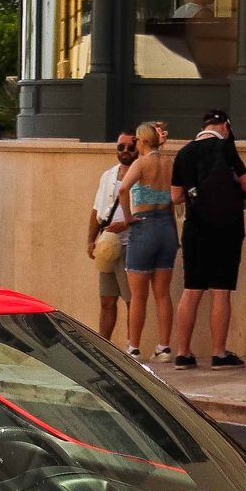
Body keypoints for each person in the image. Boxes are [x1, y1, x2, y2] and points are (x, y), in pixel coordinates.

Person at [168, 106, 246, 369]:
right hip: (227, 228)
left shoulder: (184, 153)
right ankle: (219, 353)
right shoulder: (226, 148)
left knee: (191, 290)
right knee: (220, 292)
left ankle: (183, 352)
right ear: (225, 127)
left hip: (196, 228)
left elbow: (175, 196)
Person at [112, 122, 179, 358]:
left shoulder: (141, 163)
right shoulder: (170, 163)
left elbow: (123, 190)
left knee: (138, 295)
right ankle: (164, 347)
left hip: (144, 225)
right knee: (163, 293)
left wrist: (128, 217)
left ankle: (134, 347)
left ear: (142, 141)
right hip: (167, 227)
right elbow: (175, 197)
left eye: (136, 141)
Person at [87, 131, 140, 338]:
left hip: (130, 244)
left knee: (131, 300)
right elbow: (96, 209)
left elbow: (144, 212)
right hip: (107, 245)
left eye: (130, 146)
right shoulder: (108, 175)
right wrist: (90, 240)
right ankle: (104, 348)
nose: (125, 150)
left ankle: (130, 348)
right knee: (106, 300)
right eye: (121, 147)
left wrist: (124, 225)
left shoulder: (141, 174)